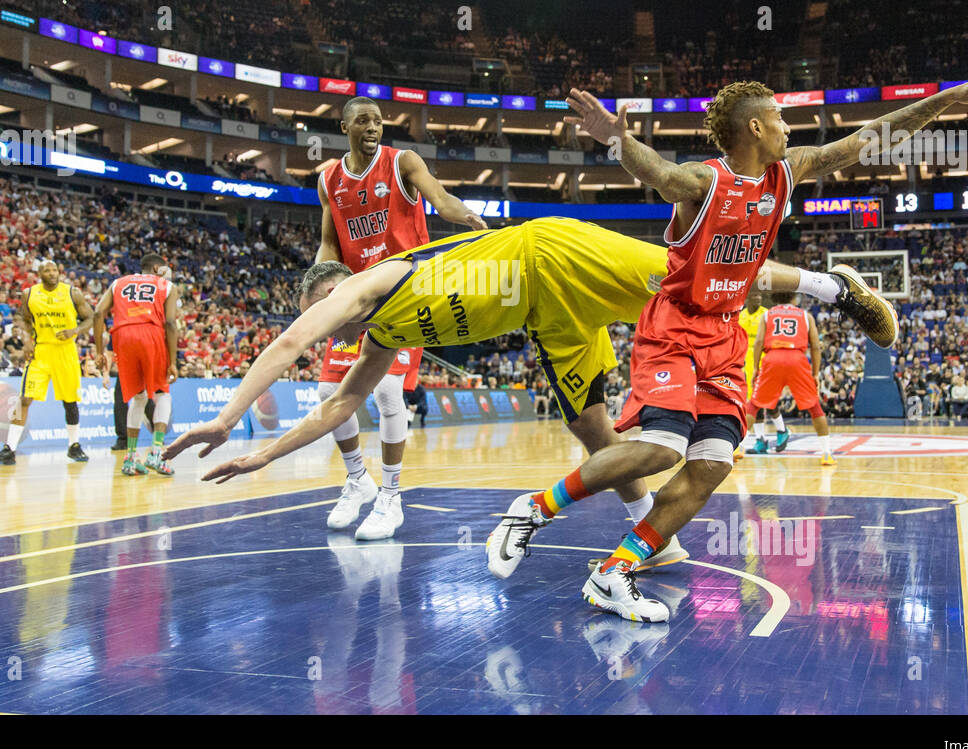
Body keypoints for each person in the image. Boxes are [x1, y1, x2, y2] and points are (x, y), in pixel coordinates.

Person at [482, 65, 968, 623]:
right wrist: (616, 139)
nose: (788, 125)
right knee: (664, 447)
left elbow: (871, 137)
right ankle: (531, 511)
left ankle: (613, 572)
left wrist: (946, 98)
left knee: (711, 464)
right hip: (674, 328)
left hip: (726, 334)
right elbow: (660, 172)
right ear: (755, 128)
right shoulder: (704, 183)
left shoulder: (789, 171)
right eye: (779, 117)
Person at [164, 216, 894, 570]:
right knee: (595, 436)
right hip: (546, 317)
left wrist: (228, 417)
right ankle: (653, 542)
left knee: (699, 278)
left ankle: (834, 288)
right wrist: (261, 457)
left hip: (553, 254)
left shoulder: (372, 280)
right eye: (337, 313)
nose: (339, 318)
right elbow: (335, 407)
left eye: (333, 305)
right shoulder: (381, 337)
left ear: (334, 289)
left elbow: (292, 342)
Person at [313, 96, 486, 539]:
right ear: (345, 125)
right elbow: (330, 244)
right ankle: (357, 480)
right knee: (327, 391)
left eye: (378, 121)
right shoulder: (329, 178)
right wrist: (319, 287)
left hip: (407, 293)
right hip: (357, 296)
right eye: (363, 120)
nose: (373, 127)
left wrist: (464, 215)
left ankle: (391, 496)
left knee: (387, 392)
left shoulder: (402, 161)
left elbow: (441, 197)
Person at [0, 260, 95, 465]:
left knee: (69, 401)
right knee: (24, 399)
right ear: (40, 273)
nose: (52, 273)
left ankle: (74, 445)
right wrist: (28, 339)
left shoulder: (73, 293)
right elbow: (24, 318)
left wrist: (75, 331)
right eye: (47, 270)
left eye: (55, 269)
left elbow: (91, 317)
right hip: (41, 351)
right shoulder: (30, 294)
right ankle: (9, 449)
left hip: (66, 352)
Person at [94, 254, 179, 476]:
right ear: (157, 267)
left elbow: (97, 313)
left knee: (139, 397)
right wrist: (173, 361)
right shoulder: (166, 285)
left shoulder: (118, 282)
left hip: (122, 335)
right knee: (163, 395)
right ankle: (157, 454)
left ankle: (131, 458)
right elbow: (170, 323)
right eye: (165, 268)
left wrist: (99, 352)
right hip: (150, 334)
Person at [746, 293, 835, 464]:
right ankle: (826, 453)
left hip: (772, 357)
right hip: (797, 358)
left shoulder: (768, 314)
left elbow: (758, 342)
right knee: (814, 406)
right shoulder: (806, 315)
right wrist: (815, 373)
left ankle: (738, 447)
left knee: (755, 404)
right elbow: (816, 346)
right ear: (794, 299)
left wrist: (756, 367)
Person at [734, 289, 770, 460]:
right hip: (743, 360)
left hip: (762, 360)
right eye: (755, 295)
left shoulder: (766, 314)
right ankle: (761, 439)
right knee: (751, 402)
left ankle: (746, 442)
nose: (758, 298)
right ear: (747, 299)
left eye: (760, 296)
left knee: (757, 402)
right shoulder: (741, 315)